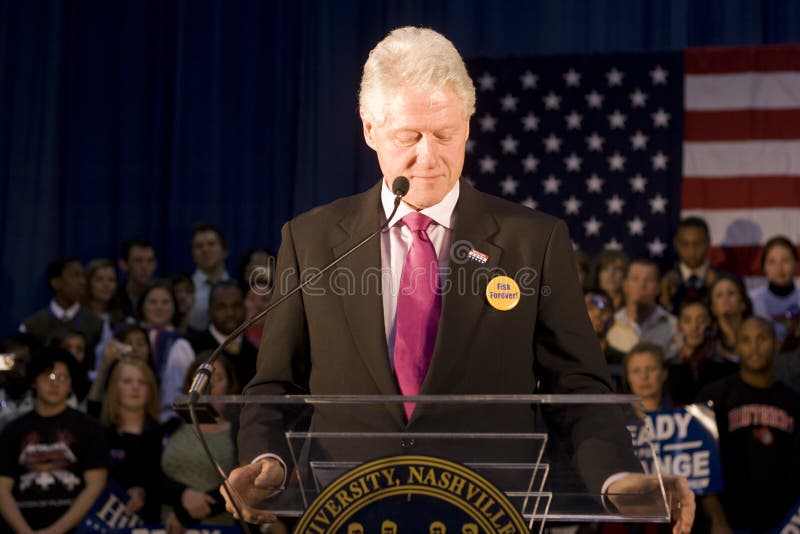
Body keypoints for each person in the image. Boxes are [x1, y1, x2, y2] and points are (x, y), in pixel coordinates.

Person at [223, 27, 694, 531]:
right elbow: (274, 386)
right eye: (409, 136)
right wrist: (266, 463)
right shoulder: (310, 239)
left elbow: (578, 389)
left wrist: (618, 478)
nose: (429, 157)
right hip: (348, 514)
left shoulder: (533, 241)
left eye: (445, 134)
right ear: (370, 129)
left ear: (468, 125)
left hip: (487, 515)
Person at [697, 317, 800, 533]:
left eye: (762, 338)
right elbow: (702, 464)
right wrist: (716, 518)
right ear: (737, 347)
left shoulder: (793, 401)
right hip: (730, 521)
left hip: (784, 522)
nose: (754, 347)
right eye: (746, 340)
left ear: (776, 344)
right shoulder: (714, 395)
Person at [0, 348, 108, 533]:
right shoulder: (13, 430)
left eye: (62, 377)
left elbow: (95, 485)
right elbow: (2, 489)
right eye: (48, 376)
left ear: (71, 384)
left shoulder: (89, 428)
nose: (55, 383)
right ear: (34, 381)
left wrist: (55, 531)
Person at [161, 354, 238, 531]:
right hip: (165, 526)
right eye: (202, 379)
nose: (210, 385)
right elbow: (152, 476)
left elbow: (240, 484)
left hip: (218, 527)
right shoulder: (172, 426)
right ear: (191, 384)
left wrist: (184, 515)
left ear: (229, 384)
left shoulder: (239, 432)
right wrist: (183, 495)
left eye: (218, 378)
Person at [100, 357, 164, 524]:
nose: (135, 387)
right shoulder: (99, 434)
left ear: (151, 389)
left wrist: (145, 492)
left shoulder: (163, 434)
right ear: (114, 388)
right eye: (127, 381)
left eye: (142, 382)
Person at [20, 256, 104, 360]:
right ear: (56, 283)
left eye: (83, 276)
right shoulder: (31, 326)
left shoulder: (97, 325)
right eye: (75, 275)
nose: (82, 281)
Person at [138, 280, 196, 420]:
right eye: (152, 302)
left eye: (165, 302)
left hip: (172, 416)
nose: (159, 307)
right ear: (142, 306)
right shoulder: (128, 335)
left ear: (174, 306)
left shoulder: (185, 341)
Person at [189, 281, 258, 392]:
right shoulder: (189, 347)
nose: (230, 313)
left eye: (236, 306)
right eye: (221, 307)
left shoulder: (256, 353)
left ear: (245, 309)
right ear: (209, 312)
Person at [666, 301, 738, 405]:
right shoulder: (666, 370)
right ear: (678, 328)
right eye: (687, 321)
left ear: (713, 327)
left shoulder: (730, 370)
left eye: (701, 320)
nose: (694, 327)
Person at [606, 259, 680, 359]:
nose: (641, 285)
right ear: (625, 285)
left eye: (649, 280)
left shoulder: (673, 326)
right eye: (635, 279)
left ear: (658, 287)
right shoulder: (610, 325)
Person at [660, 218, 719, 313]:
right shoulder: (663, 282)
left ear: (708, 242)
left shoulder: (723, 281)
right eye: (685, 244)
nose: (692, 251)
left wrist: (716, 289)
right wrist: (664, 298)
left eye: (698, 244)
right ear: (676, 244)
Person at [750, 235, 800, 346]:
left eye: (785, 260)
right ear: (764, 267)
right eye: (772, 262)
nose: (779, 268)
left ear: (796, 264)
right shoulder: (752, 300)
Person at [187, 223, 231, 332]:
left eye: (211, 244)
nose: (205, 249)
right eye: (199, 246)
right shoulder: (186, 291)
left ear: (225, 251)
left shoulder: (239, 289)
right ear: (192, 254)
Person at [708, 274, 752, 361]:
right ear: (713, 308)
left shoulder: (758, 334)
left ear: (743, 304)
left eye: (731, 293)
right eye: (719, 295)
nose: (725, 299)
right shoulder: (708, 344)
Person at [118, 238, 158, 319]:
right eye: (138, 261)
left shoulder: (162, 296)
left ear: (155, 264)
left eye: (150, 261)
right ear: (124, 264)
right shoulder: (114, 298)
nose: (145, 266)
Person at [624, 343, 671, 411]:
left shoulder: (683, 412)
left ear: (664, 374)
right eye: (636, 371)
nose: (644, 376)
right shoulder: (614, 415)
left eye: (651, 369)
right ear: (628, 377)